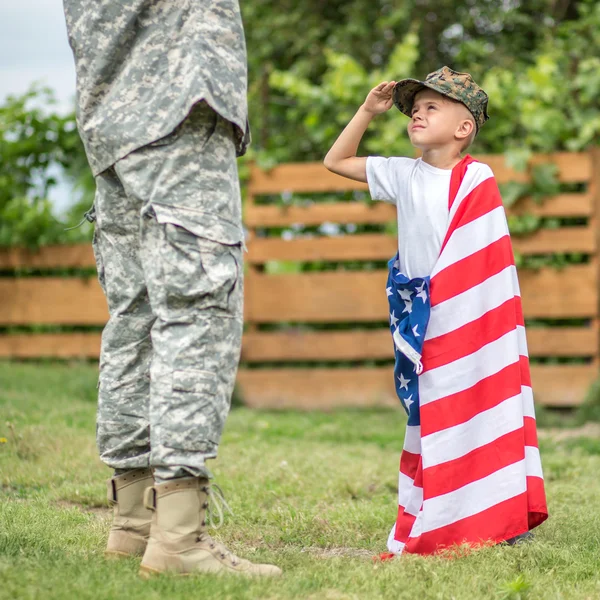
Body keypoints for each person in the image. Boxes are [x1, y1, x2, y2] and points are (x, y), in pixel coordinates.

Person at [62, 0, 281, 577]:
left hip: (112, 111)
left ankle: (134, 522)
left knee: (134, 315)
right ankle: (179, 537)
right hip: (179, 96)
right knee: (198, 304)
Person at [324, 67, 548, 555]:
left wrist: (465, 307)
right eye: (415, 109)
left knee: (487, 404)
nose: (418, 116)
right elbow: (335, 160)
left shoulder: (478, 179)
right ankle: (442, 507)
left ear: (464, 128)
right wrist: (366, 111)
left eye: (432, 108)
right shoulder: (402, 174)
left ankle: (501, 512)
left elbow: (485, 258)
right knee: (432, 415)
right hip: (422, 320)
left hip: (472, 319)